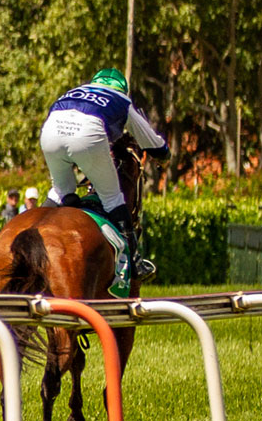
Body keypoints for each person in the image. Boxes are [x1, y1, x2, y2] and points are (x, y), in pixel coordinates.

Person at [39, 68, 168, 292]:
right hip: (86, 136)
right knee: (112, 198)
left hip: (50, 133)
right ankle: (135, 263)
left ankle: (32, 229)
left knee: (60, 190)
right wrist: (164, 155)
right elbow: (152, 142)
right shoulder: (121, 99)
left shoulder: (76, 90)